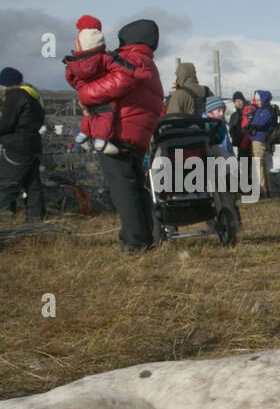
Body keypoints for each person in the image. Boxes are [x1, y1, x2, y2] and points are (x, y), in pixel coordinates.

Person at [73, 19, 164, 251]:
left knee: (123, 190)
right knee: (135, 187)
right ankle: (148, 236)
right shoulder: (147, 62)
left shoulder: (130, 60)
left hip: (117, 133)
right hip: (136, 135)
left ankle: (136, 243)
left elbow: (109, 87)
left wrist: (84, 94)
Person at [61, 15, 120, 155]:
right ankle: (101, 140)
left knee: (89, 113)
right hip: (100, 92)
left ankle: (82, 135)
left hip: (84, 93)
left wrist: (80, 87)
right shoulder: (104, 58)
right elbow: (117, 68)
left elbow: (69, 76)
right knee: (106, 113)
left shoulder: (74, 62)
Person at [0, 67, 47, 222]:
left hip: (16, 147)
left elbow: (6, 124)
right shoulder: (33, 97)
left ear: (5, 83)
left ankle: (5, 219)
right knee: (32, 184)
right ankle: (36, 220)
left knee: (6, 183)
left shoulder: (14, 97)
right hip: (33, 146)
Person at [247, 90, 276, 199]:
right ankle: (268, 190)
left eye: (259, 100)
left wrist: (251, 124)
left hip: (259, 139)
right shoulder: (261, 110)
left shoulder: (266, 111)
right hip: (258, 138)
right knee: (262, 165)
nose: (257, 102)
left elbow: (259, 124)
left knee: (258, 164)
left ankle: (261, 190)